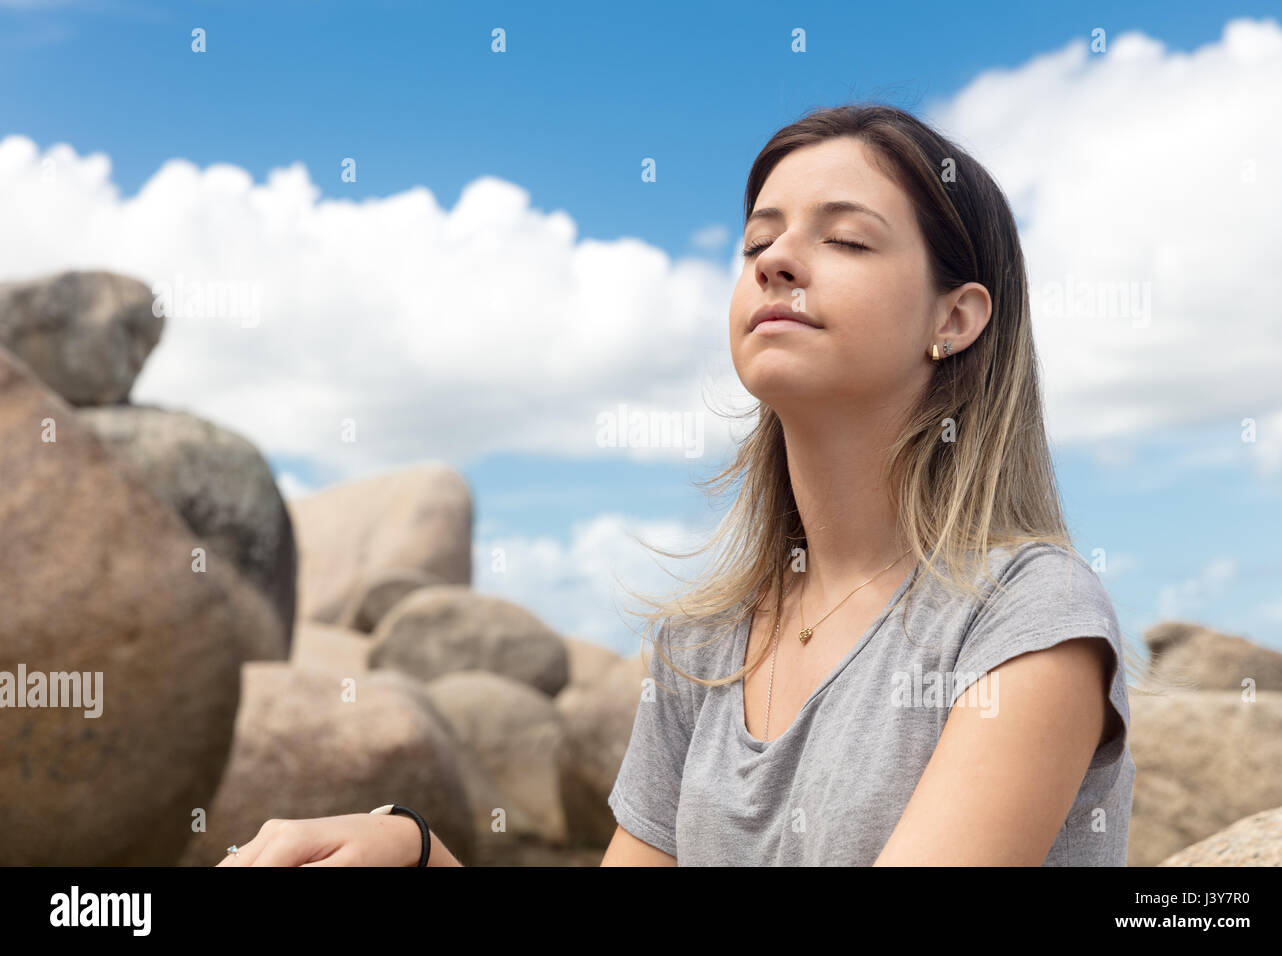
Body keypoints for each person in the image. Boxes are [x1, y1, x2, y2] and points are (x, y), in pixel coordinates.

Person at [219, 102, 1154, 868]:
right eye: (759, 243)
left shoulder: (1028, 615)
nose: (777, 262)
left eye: (846, 241)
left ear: (955, 318)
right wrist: (420, 853)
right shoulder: (699, 647)